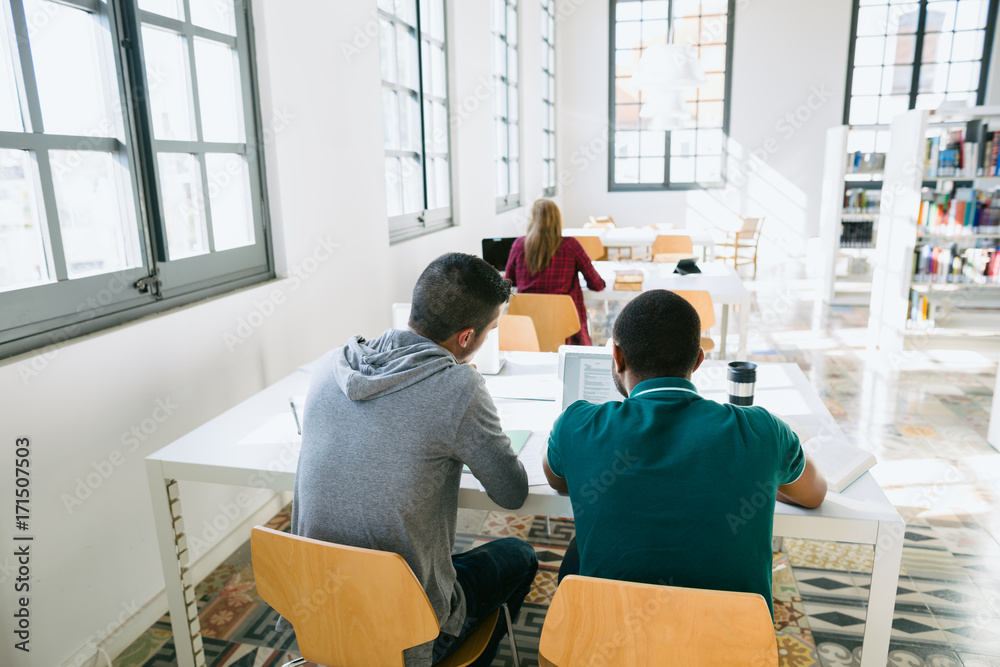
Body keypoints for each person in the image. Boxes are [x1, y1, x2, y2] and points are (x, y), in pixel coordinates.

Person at [289, 253, 538, 666]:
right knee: (519, 555)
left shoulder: (330, 363)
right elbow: (511, 494)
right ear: (466, 338)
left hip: (317, 613)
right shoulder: (459, 387)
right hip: (407, 631)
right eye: (489, 331)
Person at [543, 290, 827, 616]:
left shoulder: (576, 425)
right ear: (698, 360)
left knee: (580, 551)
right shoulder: (763, 431)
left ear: (617, 357)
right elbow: (814, 494)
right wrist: (762, 478)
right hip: (736, 648)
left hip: (606, 643)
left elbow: (558, 480)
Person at [505, 199, 606, 345]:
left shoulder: (519, 245)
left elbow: (509, 281)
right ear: (558, 220)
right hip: (566, 331)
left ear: (532, 220)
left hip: (528, 329)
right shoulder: (571, 246)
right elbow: (596, 284)